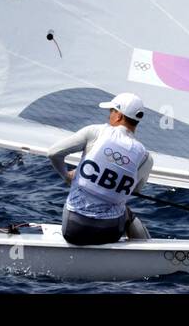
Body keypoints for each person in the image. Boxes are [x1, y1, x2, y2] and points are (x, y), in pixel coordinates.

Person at [47, 92, 154, 246]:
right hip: (109, 233)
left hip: (73, 231)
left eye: (111, 112)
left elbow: (53, 153)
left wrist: (66, 176)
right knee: (127, 212)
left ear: (119, 116)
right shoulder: (145, 157)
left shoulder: (95, 132)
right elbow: (135, 190)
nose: (108, 116)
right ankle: (146, 253)